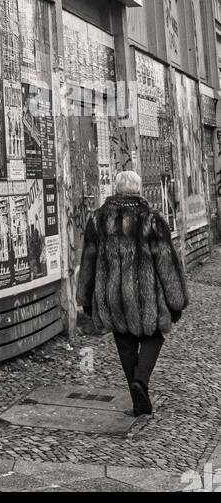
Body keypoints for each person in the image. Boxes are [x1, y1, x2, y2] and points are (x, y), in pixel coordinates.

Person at [77, 170, 188, 417]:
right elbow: (167, 262)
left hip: (112, 296)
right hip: (146, 295)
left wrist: (85, 298)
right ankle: (140, 381)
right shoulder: (151, 218)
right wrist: (176, 301)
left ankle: (139, 400)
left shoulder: (97, 219)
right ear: (138, 189)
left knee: (125, 344)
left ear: (116, 189)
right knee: (155, 336)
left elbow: (88, 260)